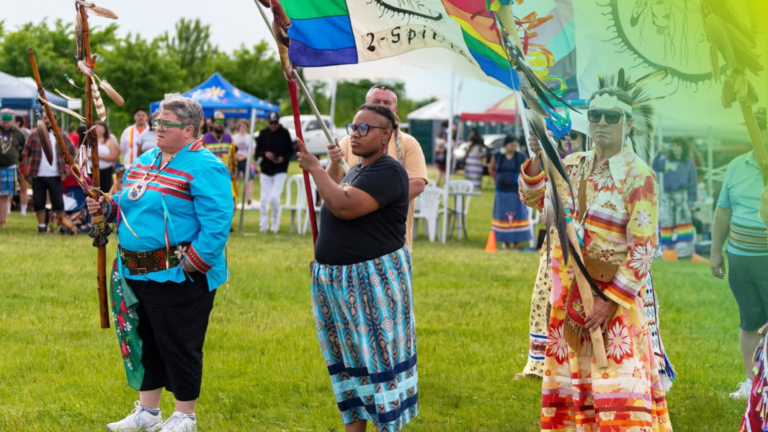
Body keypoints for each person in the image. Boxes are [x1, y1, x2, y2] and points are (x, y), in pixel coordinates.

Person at [520, 82, 672, 431]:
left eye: (612, 116)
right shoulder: (572, 165)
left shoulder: (639, 176)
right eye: (595, 115)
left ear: (628, 124)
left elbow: (643, 249)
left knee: (618, 393)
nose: (602, 122)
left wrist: (608, 302)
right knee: (571, 392)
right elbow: (533, 197)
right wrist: (538, 156)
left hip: (613, 304)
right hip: (570, 301)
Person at [87, 94, 233, 432]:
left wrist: (194, 263)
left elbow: (217, 222)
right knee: (145, 341)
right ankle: (148, 412)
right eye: (157, 122)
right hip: (137, 272)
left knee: (179, 343)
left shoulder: (206, 166)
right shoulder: (146, 159)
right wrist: (107, 207)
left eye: (166, 123)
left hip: (181, 276)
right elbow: (129, 200)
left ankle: (184, 415)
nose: (158, 128)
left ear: (190, 129)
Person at [299, 104, 417, 432]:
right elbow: (333, 196)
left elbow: (344, 206)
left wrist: (315, 168)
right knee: (350, 368)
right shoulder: (359, 169)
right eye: (353, 127)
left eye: (365, 129)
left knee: (377, 365)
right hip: (340, 282)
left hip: (371, 282)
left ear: (385, 135)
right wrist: (333, 165)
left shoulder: (389, 171)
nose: (355, 134)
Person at [518, 111, 587, 379]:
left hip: (591, 247)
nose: (568, 141)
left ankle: (579, 365)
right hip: (557, 246)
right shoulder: (556, 165)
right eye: (564, 136)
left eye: (574, 136)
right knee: (544, 299)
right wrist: (539, 155)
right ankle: (541, 365)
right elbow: (530, 196)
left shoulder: (595, 166)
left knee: (581, 303)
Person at [711, 107, 768, 400]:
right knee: (750, 320)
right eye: (758, 127)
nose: (761, 133)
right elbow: (723, 210)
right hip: (741, 259)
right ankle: (752, 381)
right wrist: (715, 253)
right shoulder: (736, 165)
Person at [332, 85, 428, 249]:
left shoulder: (408, 143)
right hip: (350, 239)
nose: (382, 106)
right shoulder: (349, 141)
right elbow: (334, 183)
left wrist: (374, 204)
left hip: (391, 239)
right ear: (366, 106)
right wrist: (332, 163)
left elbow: (418, 183)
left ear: (395, 109)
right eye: (376, 102)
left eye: (387, 102)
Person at [22, 112, 77, 234]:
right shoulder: (34, 134)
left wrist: (69, 169)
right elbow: (26, 153)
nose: (46, 121)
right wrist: (26, 170)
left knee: (58, 203)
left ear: (55, 120)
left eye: (49, 118)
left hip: (56, 175)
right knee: (38, 202)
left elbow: (73, 153)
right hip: (38, 174)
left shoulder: (61, 135)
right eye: (44, 118)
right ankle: (42, 226)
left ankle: (62, 225)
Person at [652, 137, 698, 257]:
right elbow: (655, 166)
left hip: (682, 196)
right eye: (674, 145)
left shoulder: (689, 163)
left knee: (683, 224)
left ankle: (684, 251)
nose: (676, 148)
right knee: (666, 223)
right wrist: (659, 152)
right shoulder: (666, 161)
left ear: (683, 148)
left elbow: (693, 183)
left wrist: (691, 200)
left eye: (679, 145)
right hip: (667, 198)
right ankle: (666, 251)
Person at [488, 134, 530, 250]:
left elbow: (529, 169)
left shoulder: (521, 156)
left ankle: (516, 244)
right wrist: (497, 179)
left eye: (515, 145)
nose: (513, 148)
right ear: (505, 145)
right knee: (502, 216)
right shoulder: (497, 155)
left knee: (518, 216)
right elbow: (491, 168)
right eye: (511, 145)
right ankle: (506, 244)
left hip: (516, 193)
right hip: (502, 192)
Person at [255, 111, 292, 233]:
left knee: (275, 197)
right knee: (264, 199)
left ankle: (275, 224)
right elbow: (257, 152)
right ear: (268, 122)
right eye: (271, 123)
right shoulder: (263, 134)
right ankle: (263, 225)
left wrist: (282, 158)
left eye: (275, 123)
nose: (273, 125)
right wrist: (265, 154)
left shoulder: (284, 133)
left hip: (280, 170)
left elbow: (290, 151)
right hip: (266, 170)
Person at [203, 111, 238, 200]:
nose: (220, 124)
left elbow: (233, 159)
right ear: (212, 123)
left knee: (230, 204)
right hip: (210, 180)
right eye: (218, 121)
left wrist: (234, 173)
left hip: (226, 178)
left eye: (222, 121)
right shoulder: (204, 139)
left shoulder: (229, 138)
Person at [0, 109, 26, 228]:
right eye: (3, 122)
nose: (5, 124)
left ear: (12, 121)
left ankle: (3, 222)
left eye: (8, 122)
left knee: (5, 195)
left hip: (10, 167)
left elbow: (24, 149)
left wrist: (20, 161)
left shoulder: (18, 133)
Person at [90, 121, 120, 194]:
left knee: (105, 191)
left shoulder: (110, 141)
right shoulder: (89, 140)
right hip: (91, 170)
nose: (95, 129)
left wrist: (98, 156)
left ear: (104, 129)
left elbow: (115, 157)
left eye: (97, 127)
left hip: (105, 172)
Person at [233, 119, 255, 206]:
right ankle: (234, 198)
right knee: (235, 179)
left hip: (246, 160)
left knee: (249, 180)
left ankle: (249, 198)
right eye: (241, 126)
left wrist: (245, 156)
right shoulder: (234, 137)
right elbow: (232, 151)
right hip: (236, 160)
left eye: (244, 126)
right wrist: (238, 156)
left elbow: (252, 150)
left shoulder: (249, 138)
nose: (243, 128)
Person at [14, 115, 30, 216]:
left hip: (23, 162)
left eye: (14, 121)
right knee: (11, 187)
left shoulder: (26, 133)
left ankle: (23, 210)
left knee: (24, 187)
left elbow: (28, 150)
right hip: (13, 162)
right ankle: (7, 209)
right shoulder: (10, 132)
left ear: (18, 123)